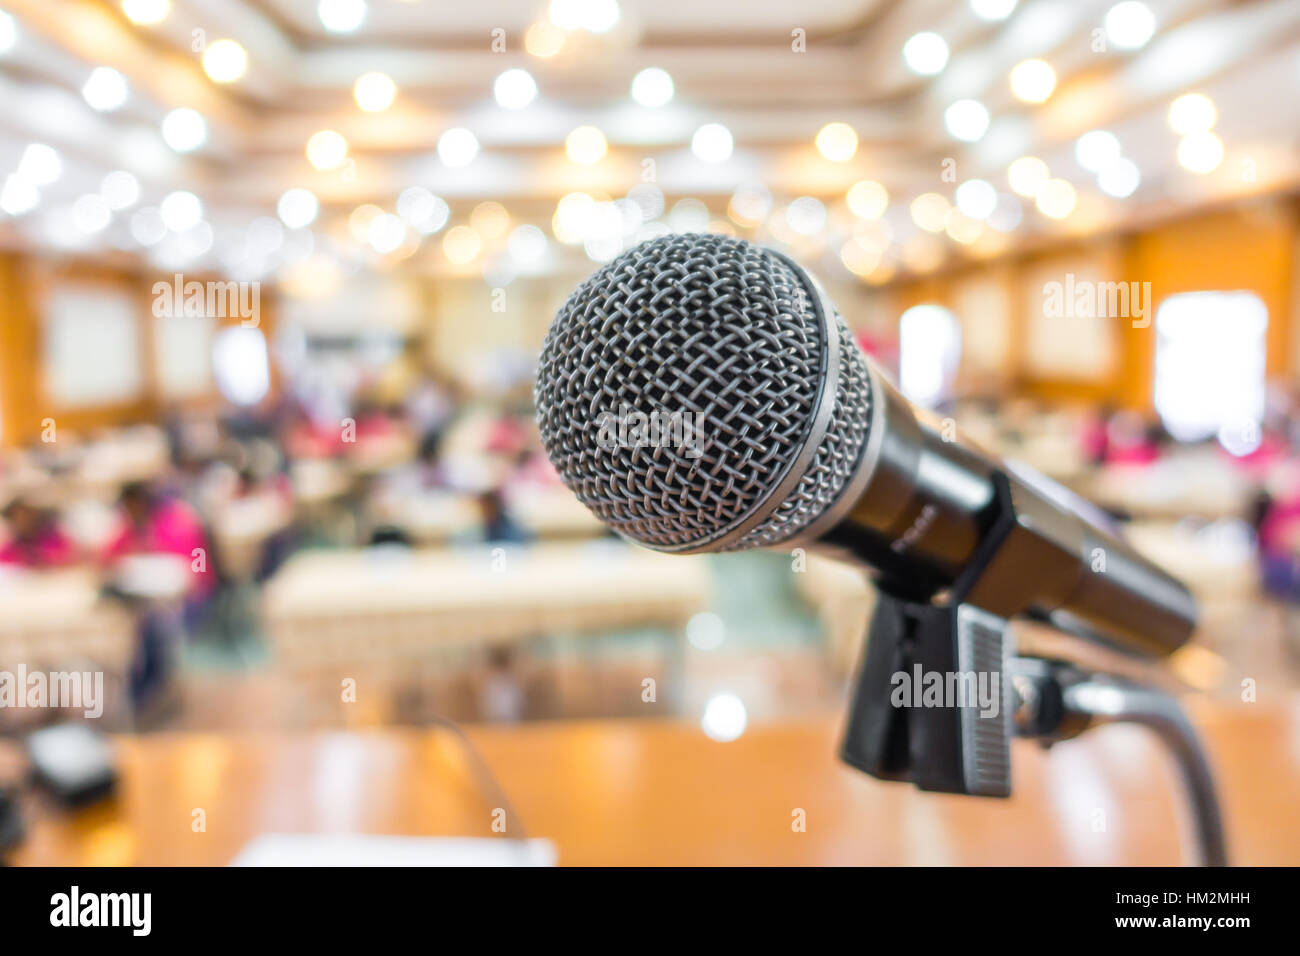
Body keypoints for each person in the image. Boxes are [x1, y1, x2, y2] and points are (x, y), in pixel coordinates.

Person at [0, 497, 75, 569]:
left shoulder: (52, 540)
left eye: (26, 516)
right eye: (17, 518)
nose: (23, 521)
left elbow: (66, 558)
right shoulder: (10, 548)